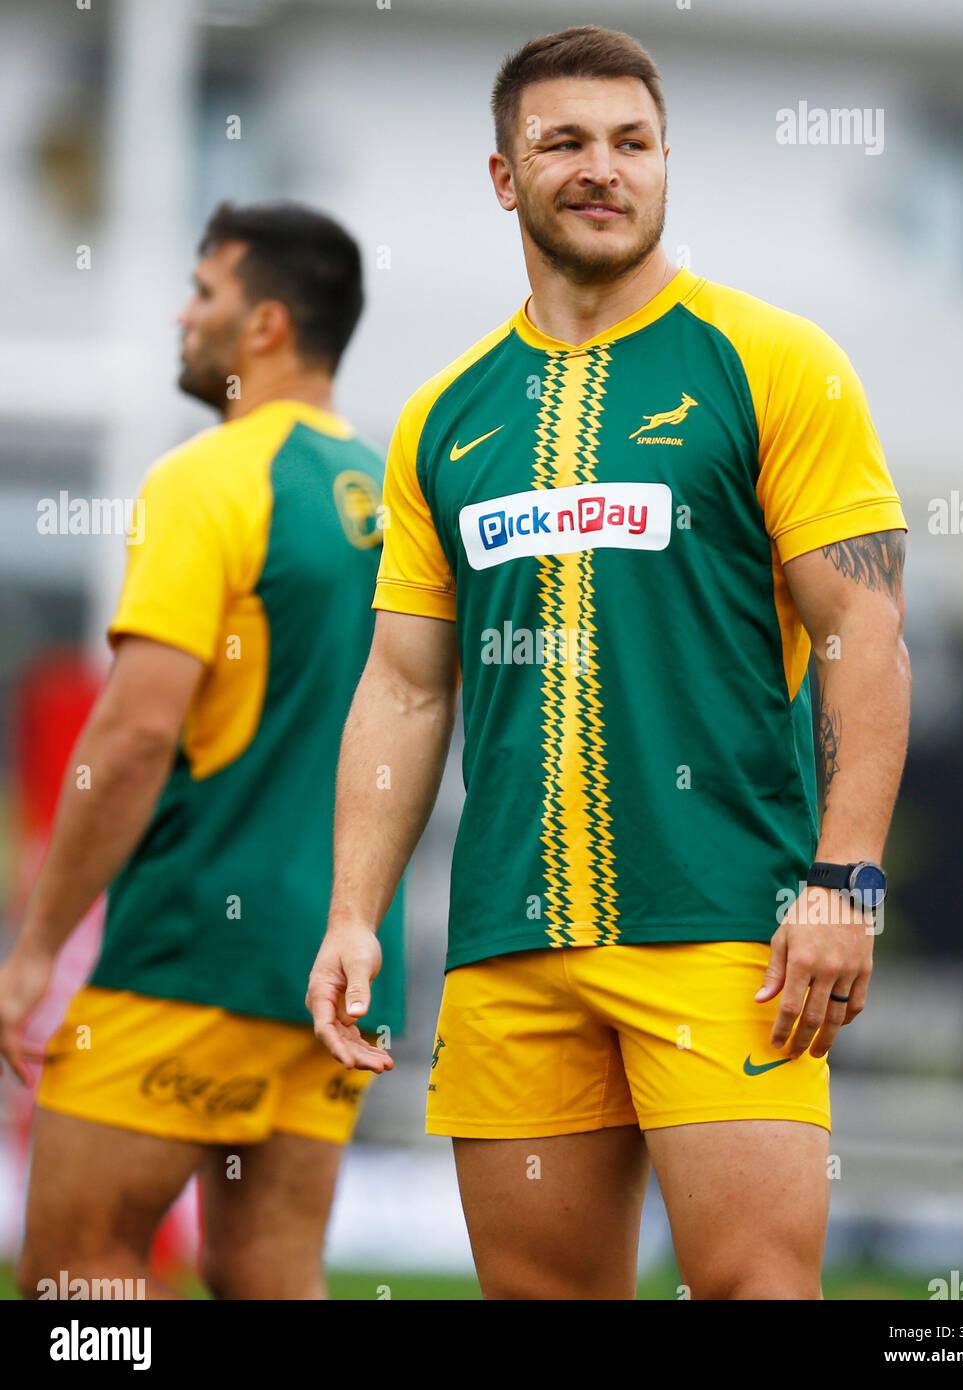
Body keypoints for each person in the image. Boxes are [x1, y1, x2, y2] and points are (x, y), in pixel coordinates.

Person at [308, 25, 909, 1300]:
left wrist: (844, 880)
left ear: (664, 163)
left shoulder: (775, 362)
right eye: (564, 142)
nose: (602, 168)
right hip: (508, 943)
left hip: (726, 933)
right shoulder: (442, 414)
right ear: (502, 174)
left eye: (630, 142)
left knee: (755, 1286)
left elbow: (865, 633)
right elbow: (407, 686)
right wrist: (354, 909)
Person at [0, 201, 404, 1300]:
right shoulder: (391, 496)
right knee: (267, 1269)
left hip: (190, 946)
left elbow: (131, 737)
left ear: (266, 323)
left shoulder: (210, 475)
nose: (186, 317)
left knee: (77, 1282)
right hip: (340, 960)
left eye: (204, 293)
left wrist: (34, 952)